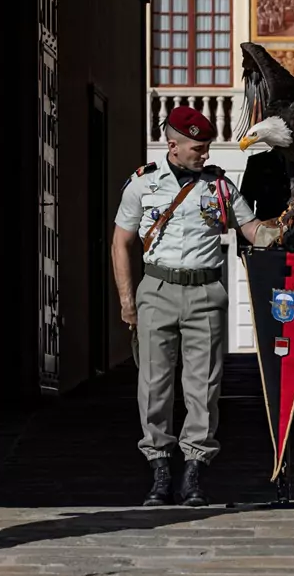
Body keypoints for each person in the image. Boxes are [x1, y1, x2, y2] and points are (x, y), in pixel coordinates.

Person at [112, 106, 284, 507]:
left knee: (203, 387)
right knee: (153, 384)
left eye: (206, 147)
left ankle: (193, 471)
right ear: (173, 145)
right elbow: (121, 243)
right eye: (196, 147)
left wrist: (284, 224)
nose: (203, 154)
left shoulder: (220, 187)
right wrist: (126, 299)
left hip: (206, 293)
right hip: (157, 289)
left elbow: (254, 232)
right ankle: (158, 469)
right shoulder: (143, 185)